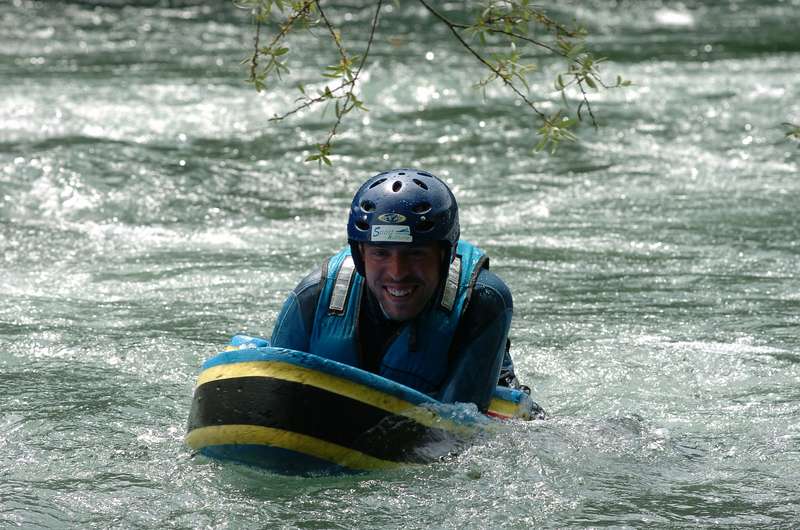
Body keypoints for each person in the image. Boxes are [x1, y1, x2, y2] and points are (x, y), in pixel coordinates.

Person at [270, 168, 526, 412]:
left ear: (444, 255)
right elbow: (269, 395)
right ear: (361, 254)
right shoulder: (312, 296)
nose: (397, 273)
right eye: (381, 253)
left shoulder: (483, 301)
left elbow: (460, 431)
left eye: (415, 254)